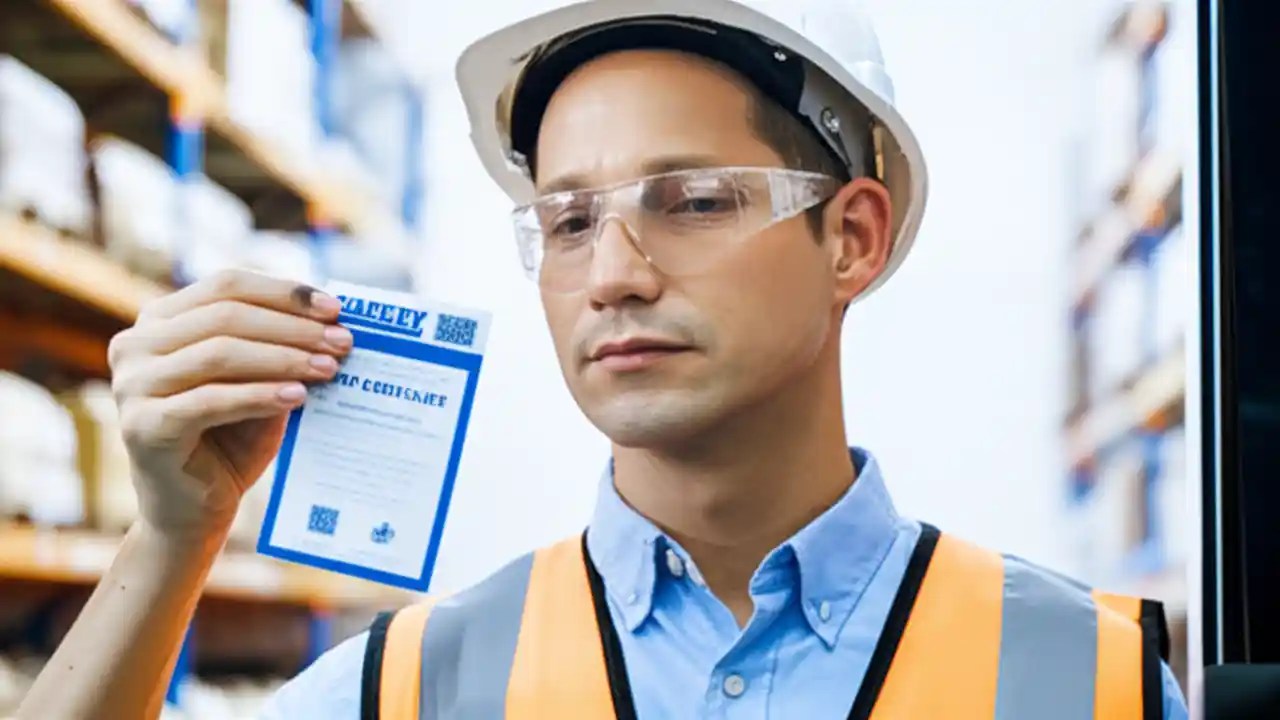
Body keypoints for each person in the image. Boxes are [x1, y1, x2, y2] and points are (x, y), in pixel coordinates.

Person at [18, 1, 1190, 718]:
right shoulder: (407, 685)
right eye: (568, 220)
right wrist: (174, 539)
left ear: (852, 237)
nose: (611, 272)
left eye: (689, 201)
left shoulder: (1093, 680)